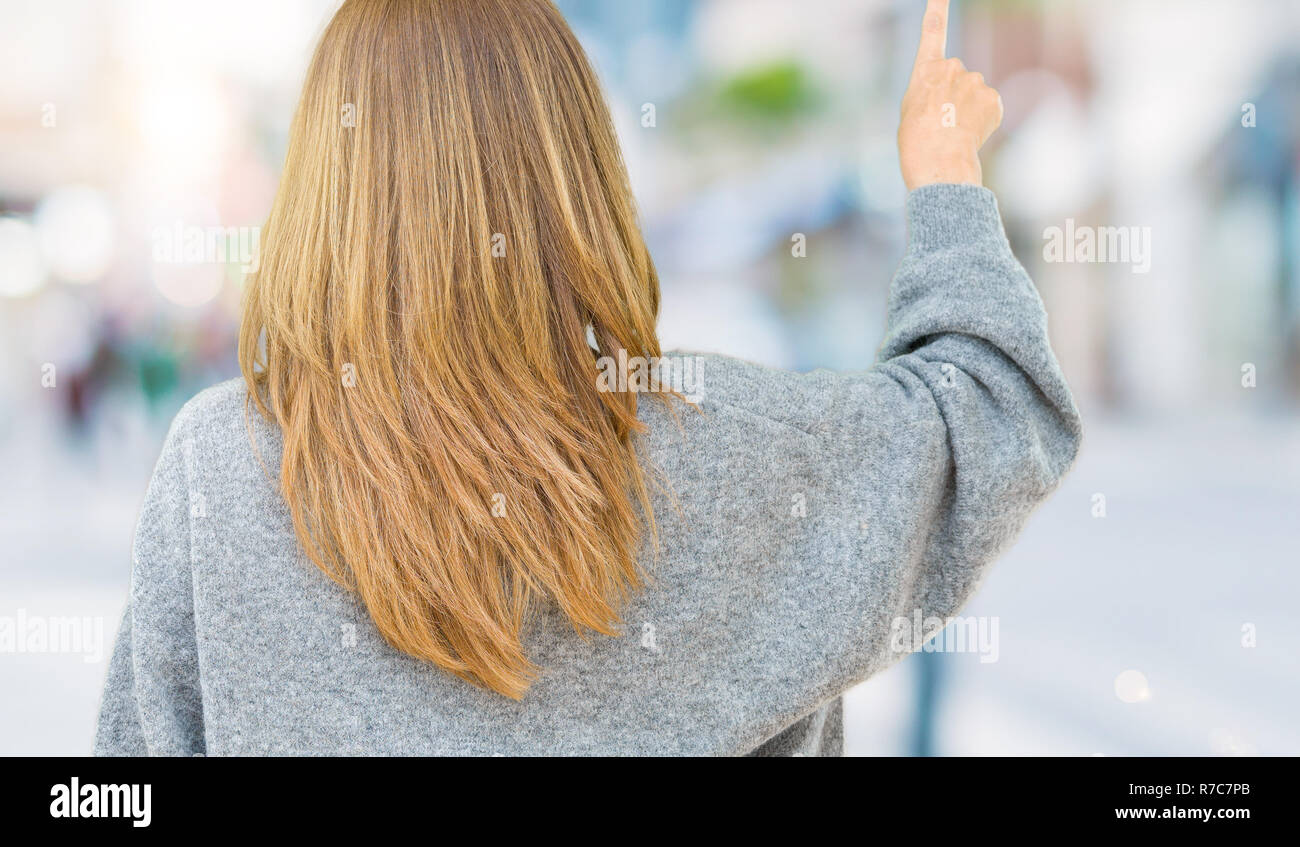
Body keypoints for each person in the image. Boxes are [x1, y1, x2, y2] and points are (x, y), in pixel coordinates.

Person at [94, 0, 1079, 756]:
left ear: (323, 190)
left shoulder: (219, 468)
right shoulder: (744, 454)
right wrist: (944, 172)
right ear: (579, 174)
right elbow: (992, 407)